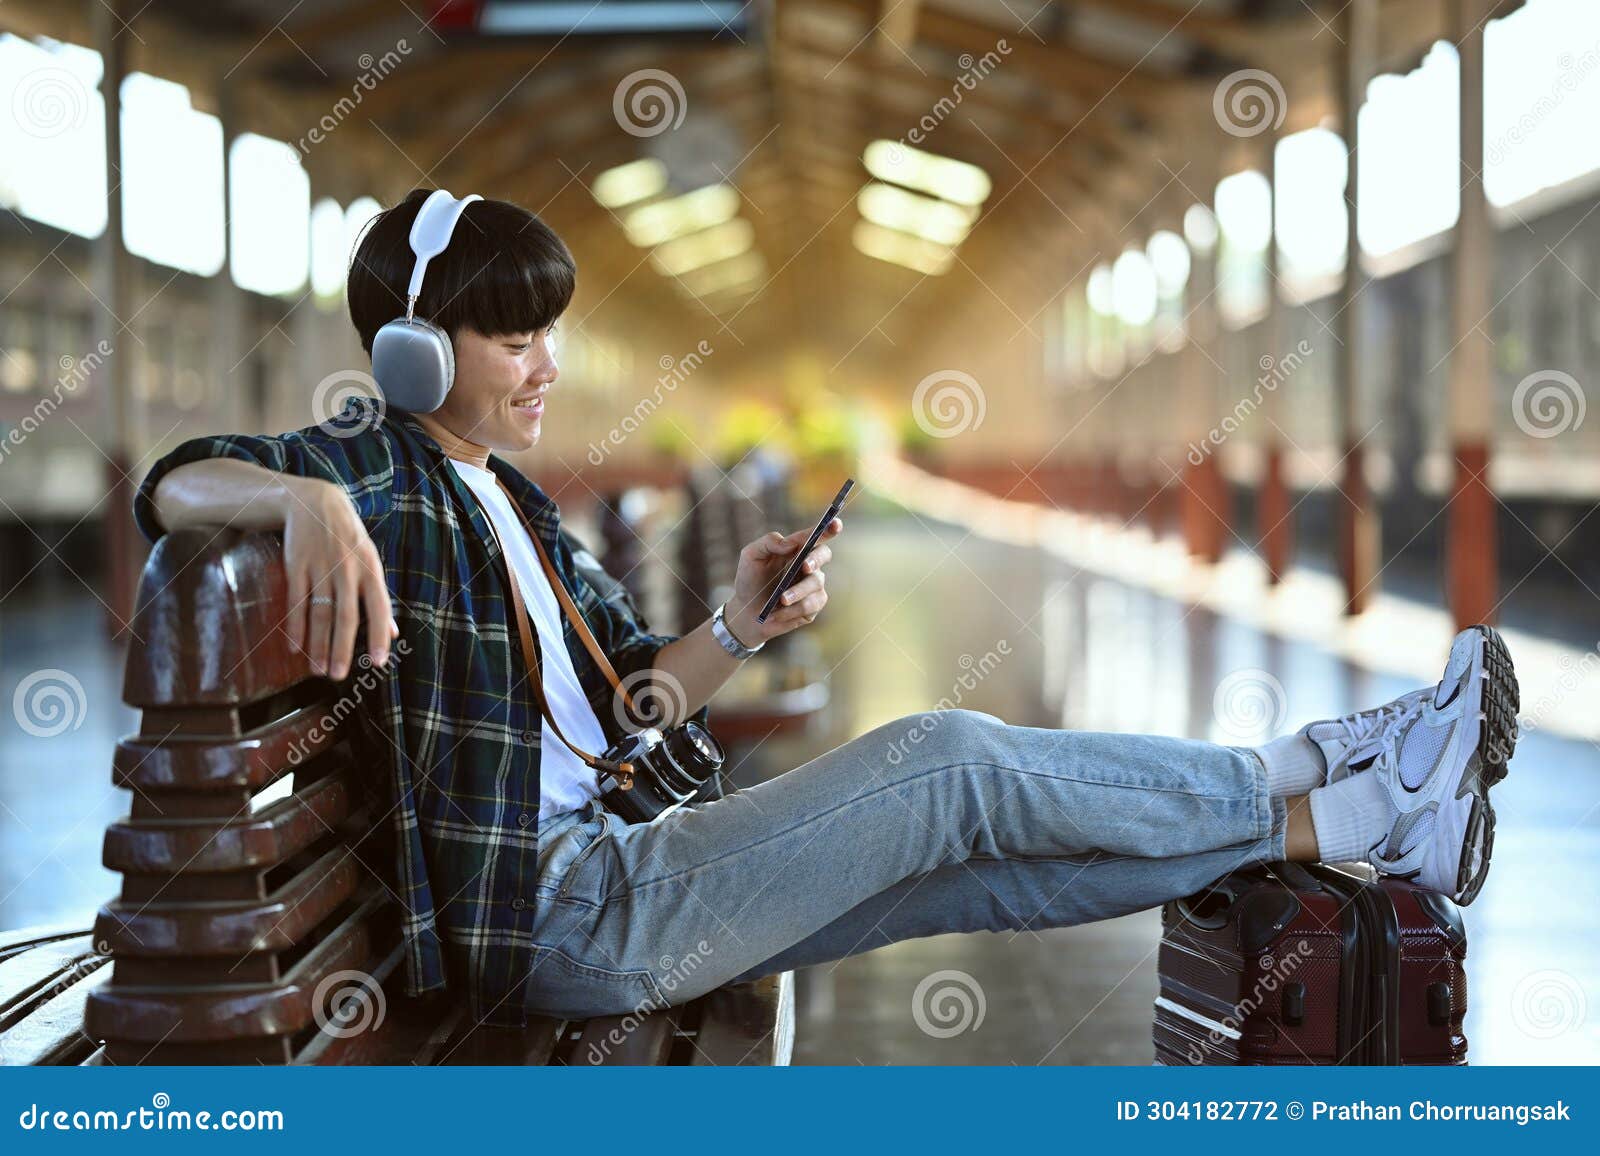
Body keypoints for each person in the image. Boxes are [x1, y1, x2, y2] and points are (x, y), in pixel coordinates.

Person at [133, 188, 1519, 1028]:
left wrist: (737, 626)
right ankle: (1341, 763)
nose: (548, 364)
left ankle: (1359, 818)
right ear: (415, 352)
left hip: (618, 870)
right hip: (562, 919)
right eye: (516, 337)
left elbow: (637, 708)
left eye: (554, 332)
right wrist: (296, 497)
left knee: (979, 866)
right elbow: (174, 484)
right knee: (949, 761)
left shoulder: (519, 504)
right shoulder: (377, 469)